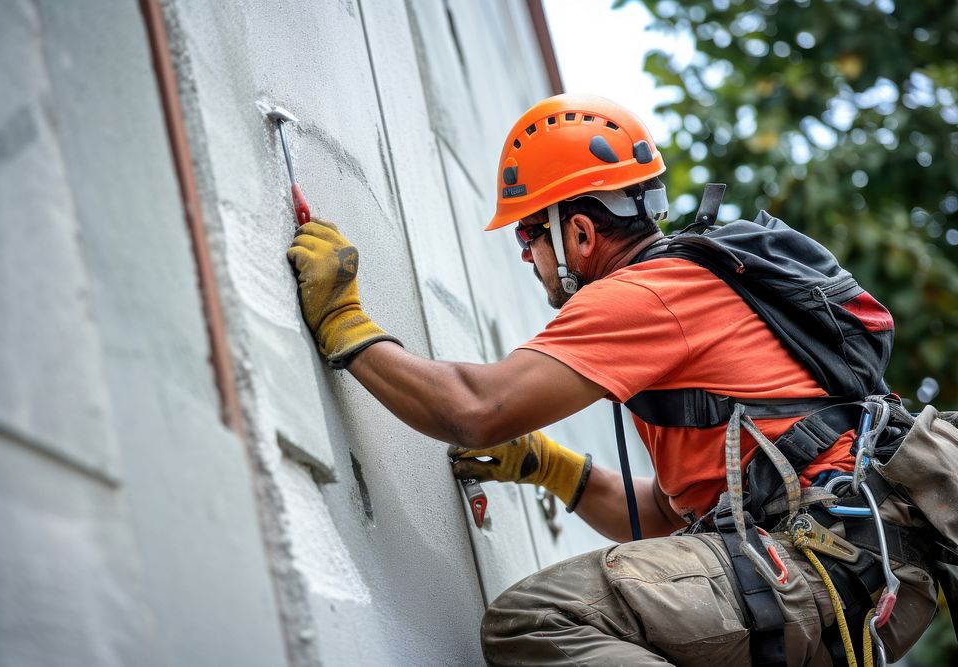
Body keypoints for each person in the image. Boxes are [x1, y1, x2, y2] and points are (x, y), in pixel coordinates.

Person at [287, 94, 937, 666]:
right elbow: (667, 518)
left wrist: (347, 326)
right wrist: (555, 469)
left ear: (578, 231)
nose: (524, 254)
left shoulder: (648, 292)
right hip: (853, 575)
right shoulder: (686, 297)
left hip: (824, 565)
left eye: (528, 233)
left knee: (540, 619)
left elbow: (473, 407)